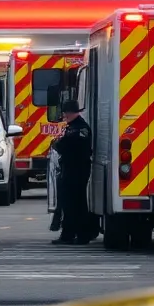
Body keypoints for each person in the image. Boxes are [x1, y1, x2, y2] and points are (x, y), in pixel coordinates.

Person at [52, 99, 96, 245]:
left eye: (65, 113)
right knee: (69, 203)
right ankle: (69, 234)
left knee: (76, 203)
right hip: (70, 169)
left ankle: (80, 235)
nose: (64, 116)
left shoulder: (80, 128)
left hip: (77, 170)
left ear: (70, 113)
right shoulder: (73, 127)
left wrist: (58, 143)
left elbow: (69, 147)